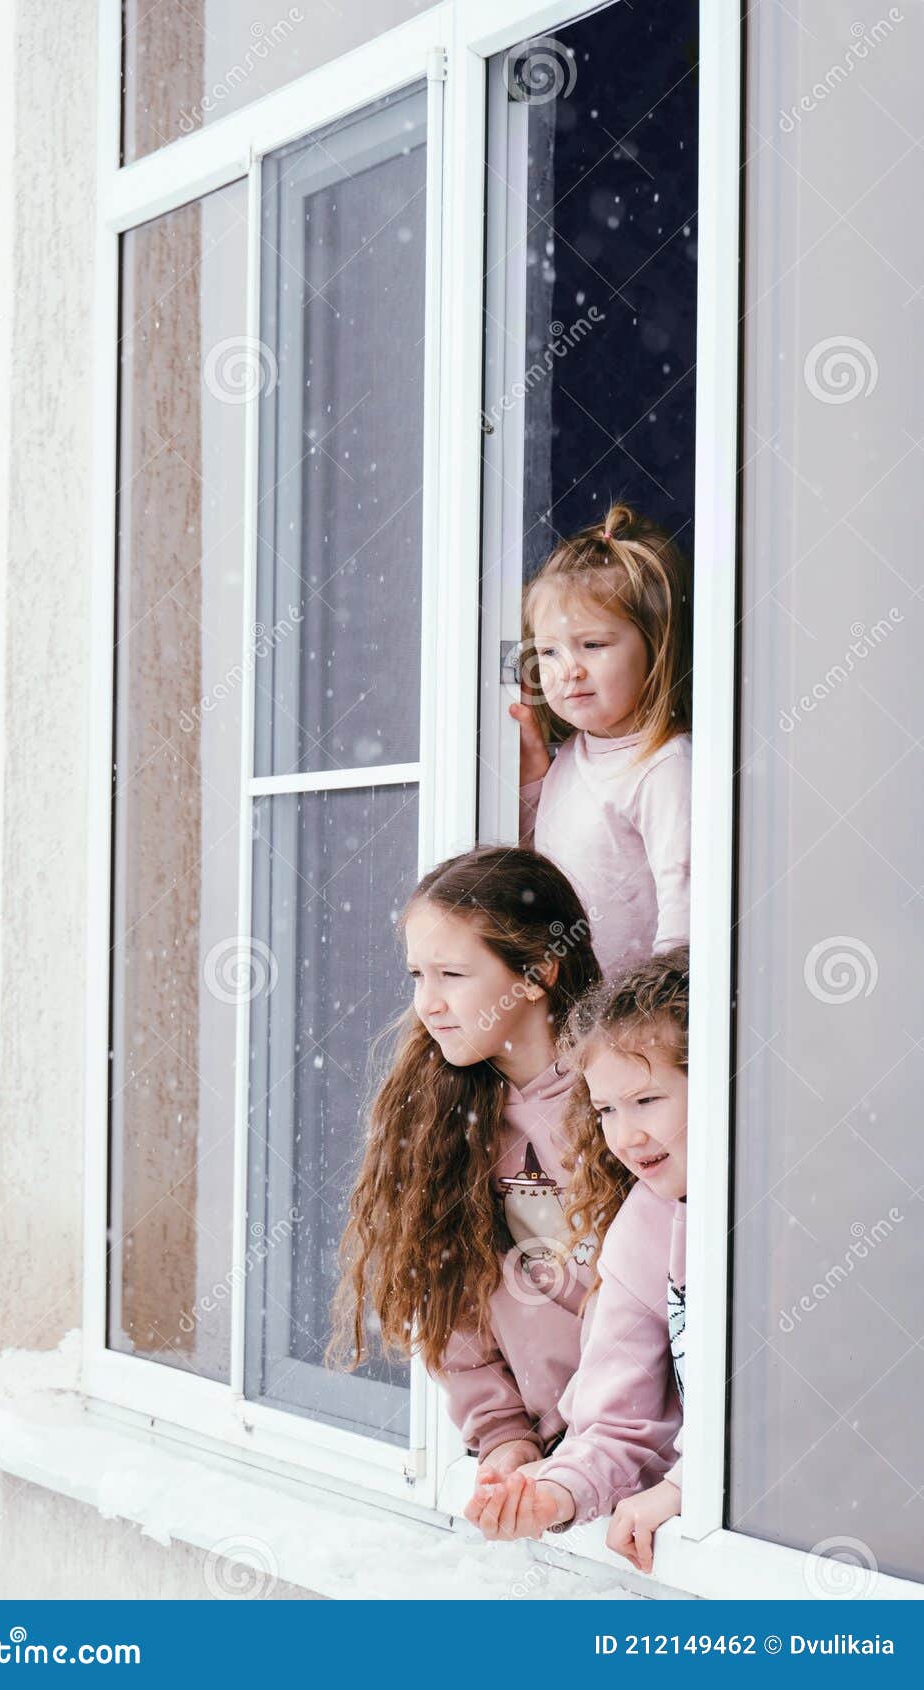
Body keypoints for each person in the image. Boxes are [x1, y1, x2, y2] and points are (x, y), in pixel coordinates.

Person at [328, 846, 600, 1504]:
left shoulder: (619, 1105)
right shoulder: (438, 1117)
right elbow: (452, 1299)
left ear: (536, 972)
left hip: (640, 1456)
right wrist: (505, 1436)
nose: (429, 1003)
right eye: (416, 975)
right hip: (548, 1463)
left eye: (451, 974)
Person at [466, 949, 688, 1575]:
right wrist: (553, 1495)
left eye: (647, 1100)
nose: (625, 1137)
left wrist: (684, 1488)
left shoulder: (783, 1216)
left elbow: (791, 1412)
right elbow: (620, 1426)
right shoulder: (644, 1228)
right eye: (608, 1110)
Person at [513, 502, 692, 977]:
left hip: (634, 1020)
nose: (569, 669)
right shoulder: (574, 754)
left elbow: (686, 903)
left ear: (655, 647)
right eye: (548, 651)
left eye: (593, 645)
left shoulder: (664, 765)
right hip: (576, 1014)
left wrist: (657, 1012)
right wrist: (534, 783)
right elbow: (541, 870)